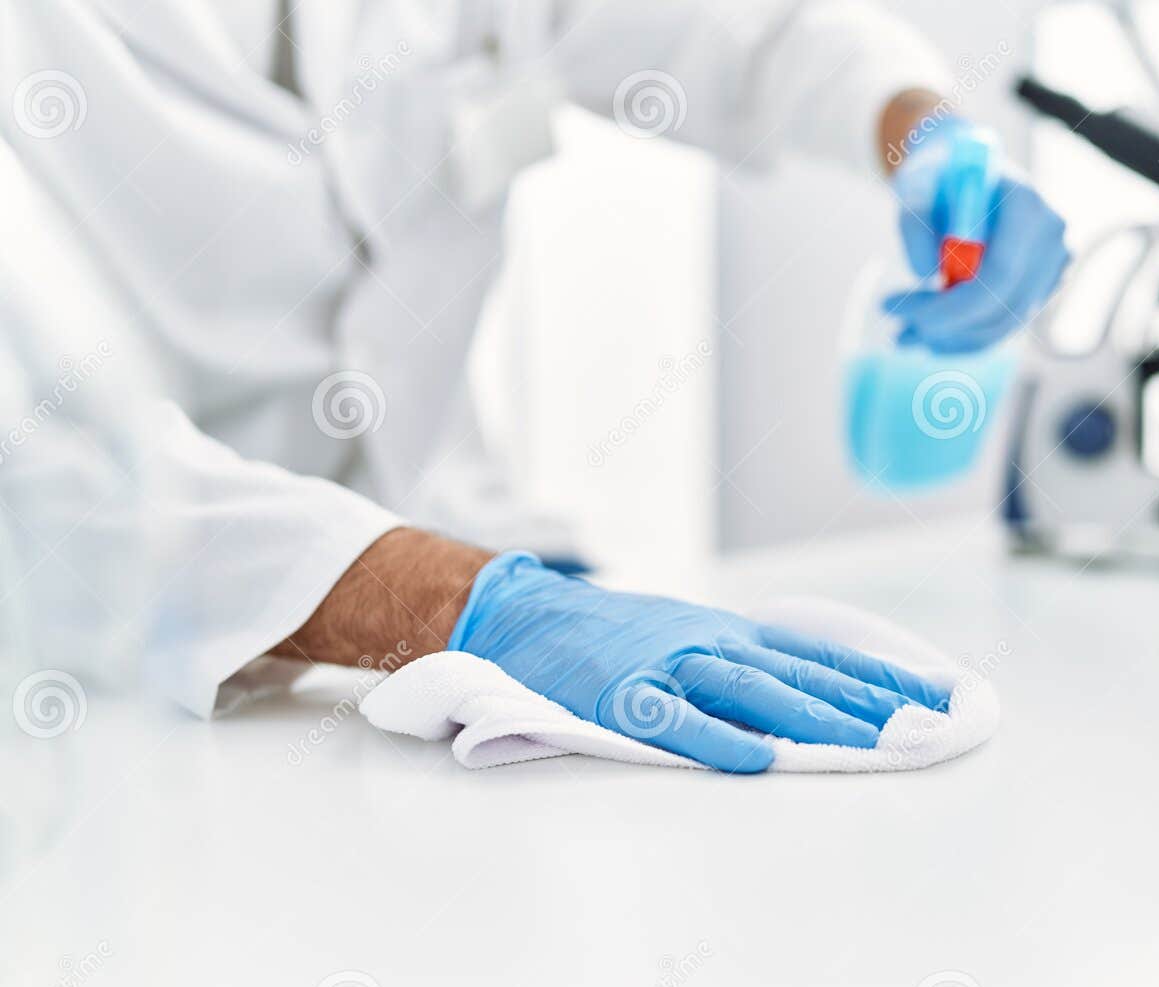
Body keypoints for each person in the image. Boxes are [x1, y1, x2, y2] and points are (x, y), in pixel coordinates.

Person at [0, 0, 1067, 771]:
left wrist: (925, 134)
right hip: (145, 656)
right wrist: (462, 601)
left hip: (477, 559)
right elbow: (32, 463)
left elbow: (748, 35)